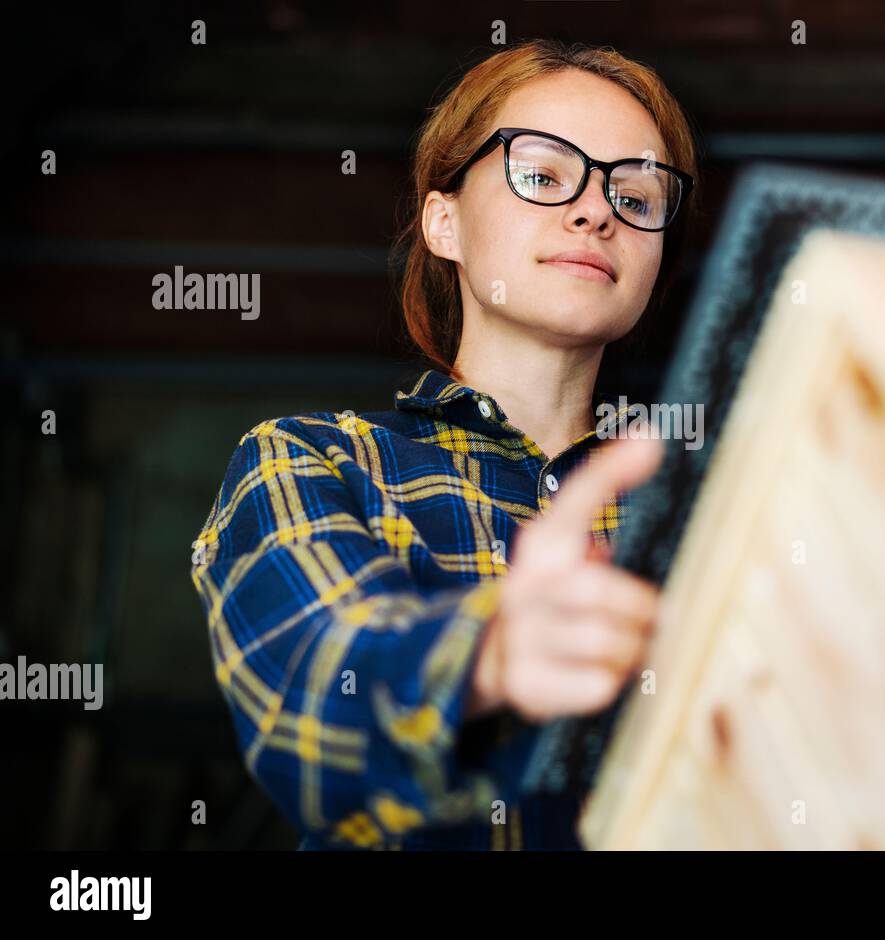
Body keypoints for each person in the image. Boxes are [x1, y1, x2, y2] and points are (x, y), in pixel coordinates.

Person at [189, 39, 700, 850]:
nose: (598, 211)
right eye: (542, 176)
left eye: (635, 196)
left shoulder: (711, 508)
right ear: (444, 221)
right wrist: (489, 655)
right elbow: (313, 716)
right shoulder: (311, 460)